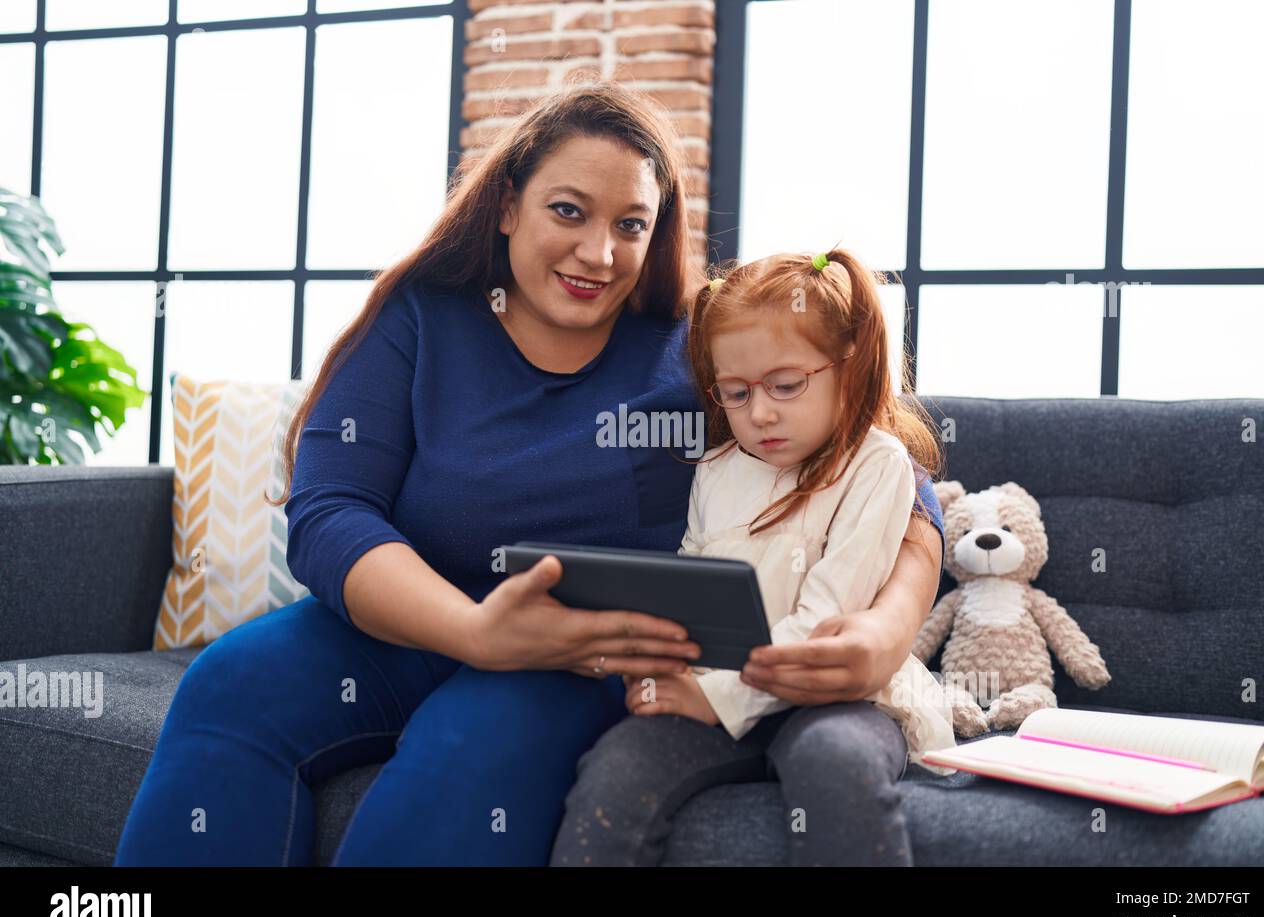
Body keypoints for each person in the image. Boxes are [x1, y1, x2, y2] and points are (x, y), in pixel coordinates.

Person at [113, 80, 947, 867]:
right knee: (230, 684)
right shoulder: (421, 320)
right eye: (568, 211)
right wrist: (470, 630)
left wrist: (885, 633)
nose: (599, 251)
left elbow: (889, 478)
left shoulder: (694, 347)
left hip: (583, 655)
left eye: (631, 225)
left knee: (470, 747)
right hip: (400, 626)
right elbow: (332, 509)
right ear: (508, 206)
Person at [551, 249, 956, 867]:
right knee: (619, 763)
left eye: (786, 386)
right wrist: (660, 669)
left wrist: (714, 700)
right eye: (735, 393)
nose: (759, 413)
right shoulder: (715, 469)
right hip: (717, 688)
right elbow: (687, 584)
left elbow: (826, 619)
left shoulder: (877, 465)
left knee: (835, 762)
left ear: (849, 369)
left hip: (839, 700)